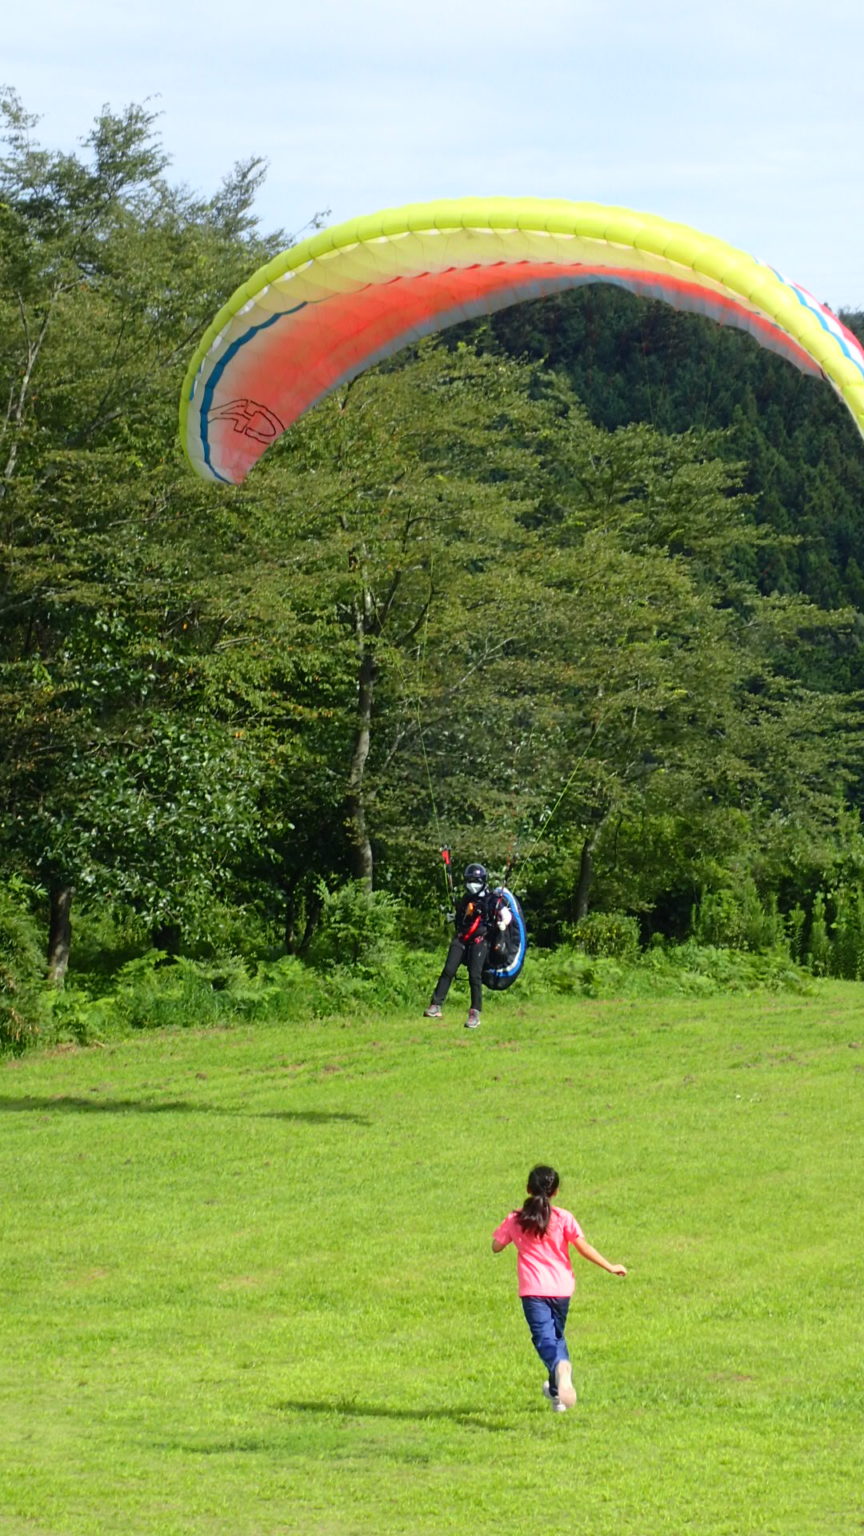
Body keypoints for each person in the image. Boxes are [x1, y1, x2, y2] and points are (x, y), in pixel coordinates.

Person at [491, 1164, 627, 1412]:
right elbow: (583, 1248)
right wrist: (610, 1266)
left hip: (534, 1290)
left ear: (528, 1189)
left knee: (544, 1339)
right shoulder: (564, 1218)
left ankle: (561, 1369)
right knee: (555, 1337)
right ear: (555, 1192)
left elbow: (496, 1246)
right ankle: (557, 1395)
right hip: (562, 1288)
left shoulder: (516, 1219)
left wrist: (510, 1238)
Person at [423, 862, 512, 1030]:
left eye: (476, 881)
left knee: (474, 975)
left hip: (480, 940)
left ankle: (475, 1012)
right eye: (470, 881)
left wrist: (502, 923)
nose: (473, 884)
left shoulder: (491, 899)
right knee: (448, 970)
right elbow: (460, 917)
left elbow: (506, 914)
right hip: (462, 939)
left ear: (483, 882)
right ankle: (436, 1005)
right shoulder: (466, 899)